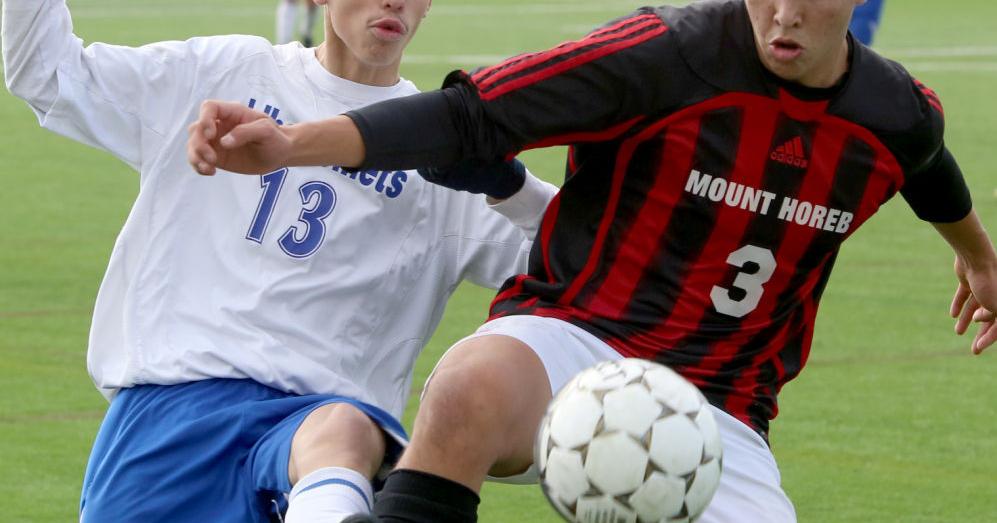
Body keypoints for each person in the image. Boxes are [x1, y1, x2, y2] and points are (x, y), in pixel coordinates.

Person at [187, 0, 997, 521]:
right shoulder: (662, 54)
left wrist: (979, 258)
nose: (780, 16)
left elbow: (930, 174)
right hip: (575, 339)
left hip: (716, 407)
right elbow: (467, 119)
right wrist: (294, 144)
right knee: (466, 385)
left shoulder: (893, 113)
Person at [2, 0, 558, 521]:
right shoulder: (219, 72)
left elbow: (583, 255)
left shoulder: (440, 148)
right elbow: (48, 74)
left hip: (320, 443)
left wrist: (510, 187)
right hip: (170, 418)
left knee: (344, 428)